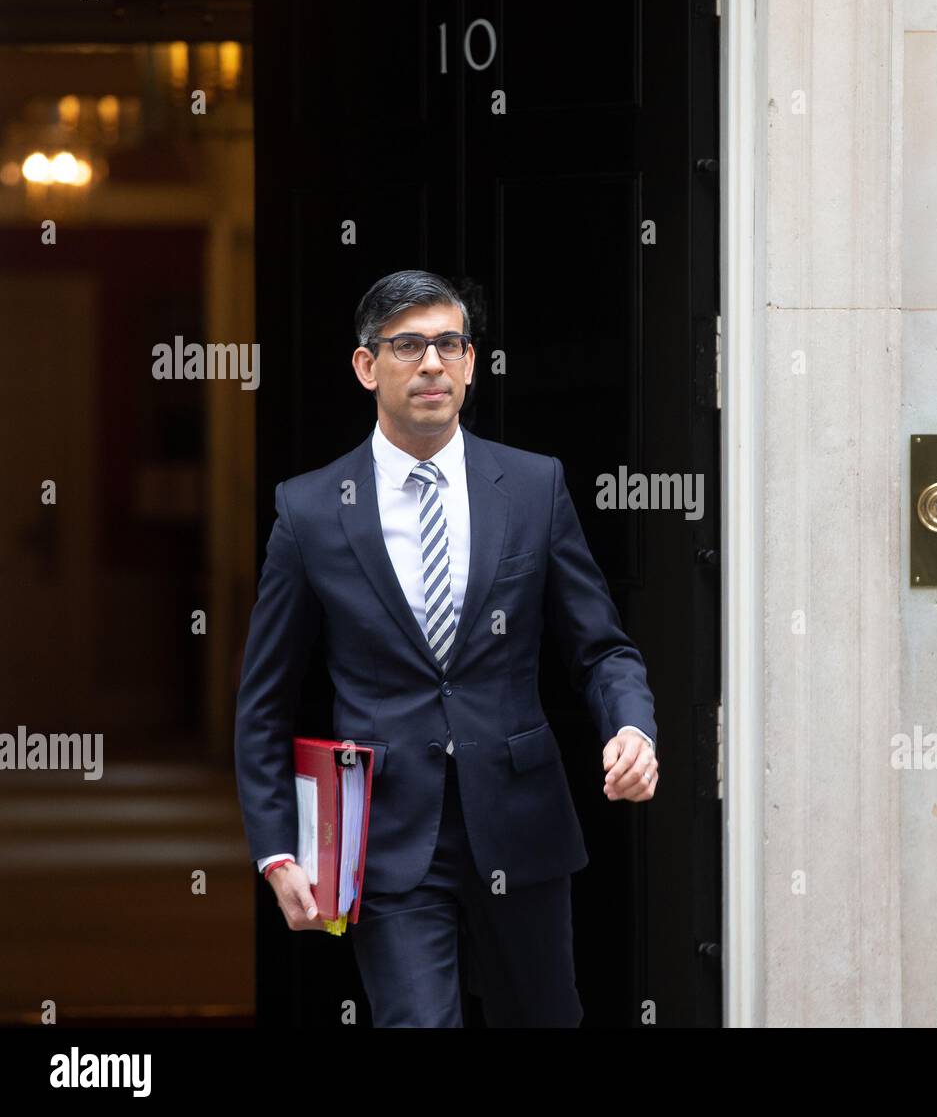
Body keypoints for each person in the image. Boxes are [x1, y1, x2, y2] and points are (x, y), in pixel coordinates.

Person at [233, 269, 659, 1026]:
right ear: (367, 366)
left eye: (449, 344)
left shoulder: (533, 486)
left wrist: (631, 727)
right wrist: (276, 851)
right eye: (407, 345)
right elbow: (264, 702)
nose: (431, 363)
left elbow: (602, 648)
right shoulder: (309, 511)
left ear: (469, 362)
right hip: (388, 839)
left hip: (522, 820)